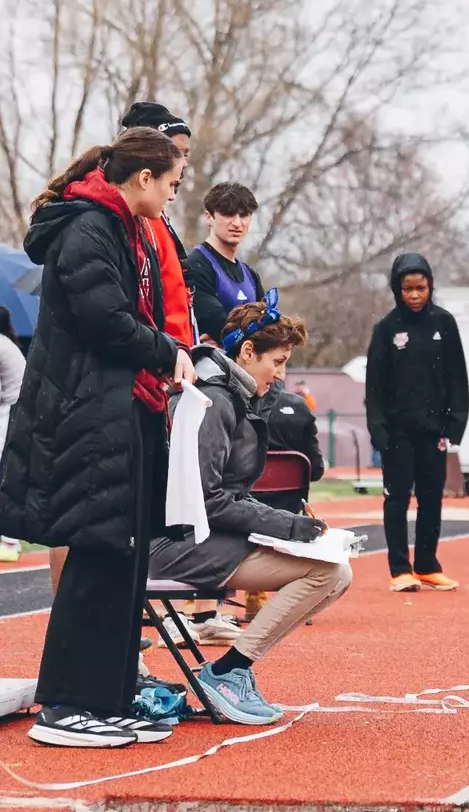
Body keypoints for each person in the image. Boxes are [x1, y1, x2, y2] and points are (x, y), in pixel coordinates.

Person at [0, 128, 197, 747]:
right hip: (85, 412)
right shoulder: (87, 227)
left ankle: (108, 697)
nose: (171, 195)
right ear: (143, 178)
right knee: (96, 554)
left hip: (122, 408)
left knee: (124, 558)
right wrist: (168, 352)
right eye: (170, 183)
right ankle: (67, 705)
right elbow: (105, 320)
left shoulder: (127, 229)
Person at [149, 301, 349, 724]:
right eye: (277, 362)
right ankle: (226, 672)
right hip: (175, 542)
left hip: (200, 534)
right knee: (327, 573)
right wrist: (286, 525)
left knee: (337, 571)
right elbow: (206, 500)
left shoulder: (230, 394)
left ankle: (231, 669)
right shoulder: (216, 400)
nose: (279, 374)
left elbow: (225, 495)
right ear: (247, 354)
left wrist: (288, 527)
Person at [364, 252, 469, 592]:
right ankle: (400, 569)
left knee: (431, 498)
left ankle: (427, 564)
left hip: (434, 431)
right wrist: (377, 428)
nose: (414, 295)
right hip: (396, 432)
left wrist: (455, 424)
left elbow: (458, 377)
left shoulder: (444, 323)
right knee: (397, 498)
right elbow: (375, 384)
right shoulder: (385, 329)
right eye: (407, 288)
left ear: (430, 287)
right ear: (397, 288)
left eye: (420, 288)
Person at [119, 103, 195, 349]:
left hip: (174, 353)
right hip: (157, 356)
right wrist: (168, 354)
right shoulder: (136, 219)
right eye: (176, 153)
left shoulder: (159, 216)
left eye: (186, 154)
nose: (183, 163)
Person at [183, 182, 265, 345]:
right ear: (209, 217)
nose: (237, 223)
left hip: (244, 370)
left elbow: (269, 331)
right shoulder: (193, 266)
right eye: (228, 214)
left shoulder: (251, 275)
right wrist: (241, 337)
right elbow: (222, 328)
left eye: (244, 215)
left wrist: (238, 339)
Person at [256, 372, 326, 514]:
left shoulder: (232, 404)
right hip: (289, 508)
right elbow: (316, 470)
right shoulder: (300, 406)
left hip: (241, 510)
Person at [0, 307, 24, 562]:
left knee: (5, 475)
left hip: (11, 411)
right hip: (18, 409)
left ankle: (9, 539)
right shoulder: (6, 341)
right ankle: (9, 539)